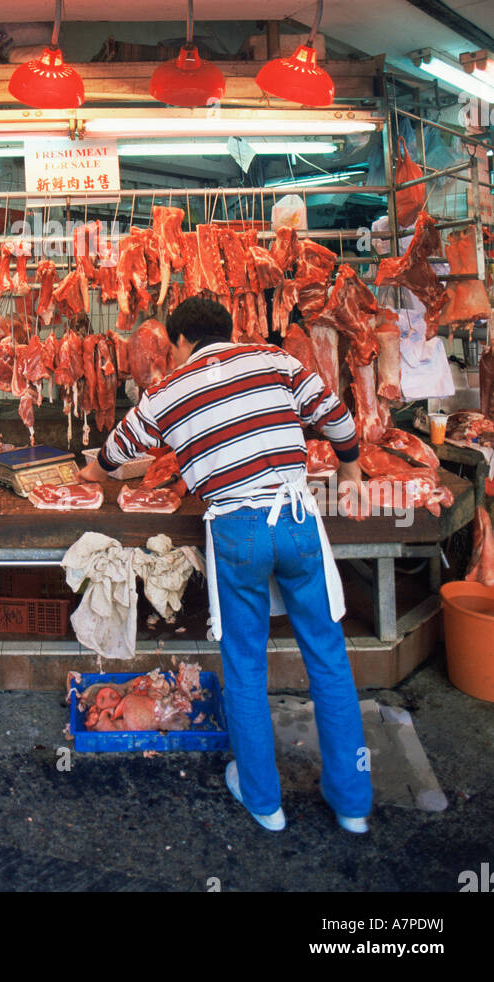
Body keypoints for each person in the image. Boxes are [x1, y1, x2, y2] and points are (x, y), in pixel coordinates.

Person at [78, 296, 372, 835]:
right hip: (297, 518)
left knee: (244, 664)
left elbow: (117, 451)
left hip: (238, 530)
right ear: (229, 330)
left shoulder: (168, 389)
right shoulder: (274, 360)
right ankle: (352, 805)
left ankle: (265, 802)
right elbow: (335, 416)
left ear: (180, 340)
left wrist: (92, 474)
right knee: (328, 657)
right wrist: (350, 470)